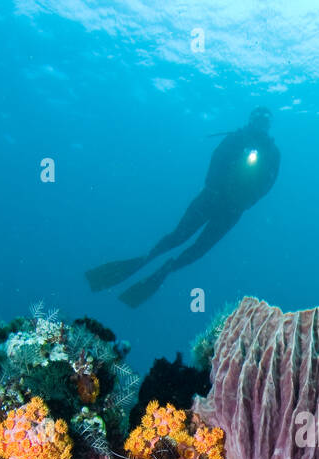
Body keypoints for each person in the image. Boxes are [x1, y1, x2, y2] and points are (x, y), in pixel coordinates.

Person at [86, 107, 280, 309]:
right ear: (251, 120)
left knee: (198, 249)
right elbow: (217, 161)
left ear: (268, 125)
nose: (260, 124)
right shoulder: (236, 139)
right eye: (257, 119)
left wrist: (243, 203)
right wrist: (217, 190)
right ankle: (146, 261)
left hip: (229, 209)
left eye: (264, 121)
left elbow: (267, 184)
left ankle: (165, 269)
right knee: (178, 237)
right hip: (213, 200)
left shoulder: (271, 152)